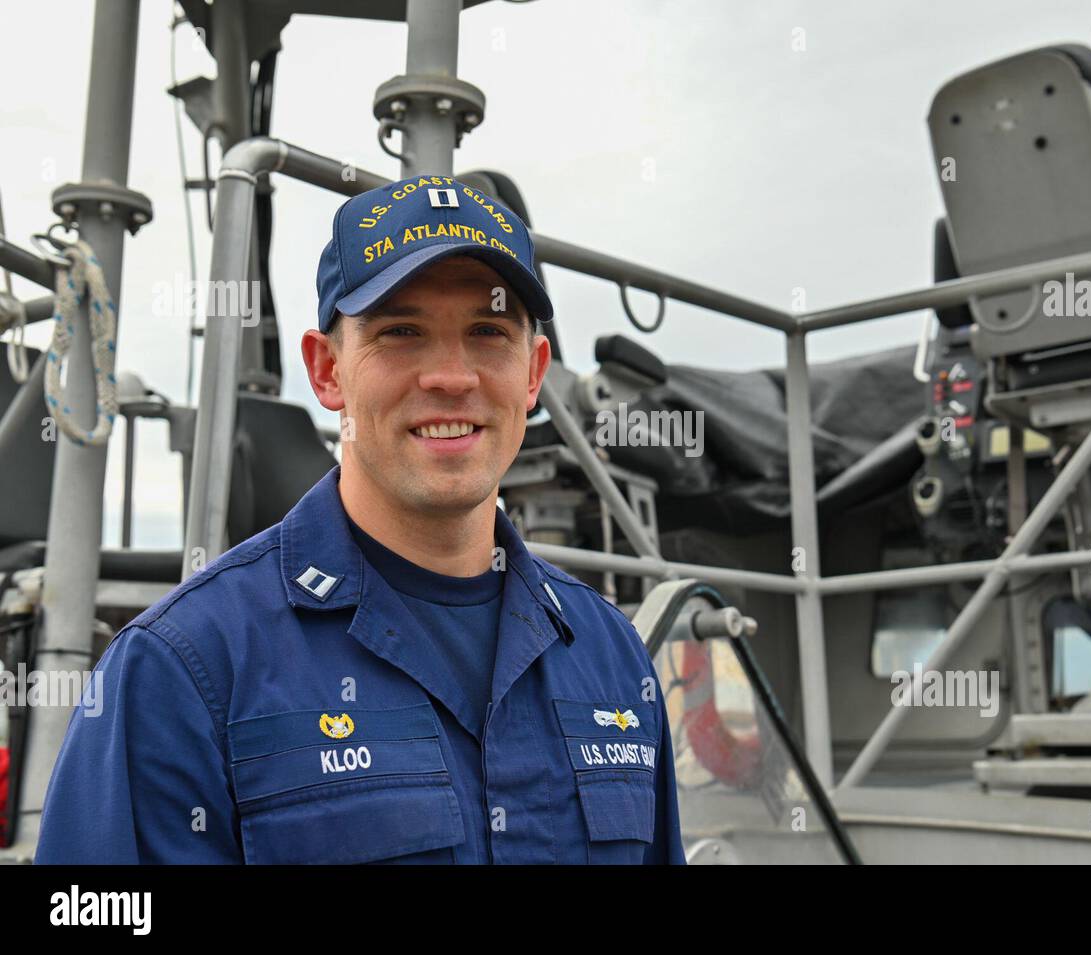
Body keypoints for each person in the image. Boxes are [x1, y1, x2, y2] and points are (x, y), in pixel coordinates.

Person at [34, 174, 686, 864]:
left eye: (488, 331)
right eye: (401, 331)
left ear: (533, 374)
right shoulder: (183, 671)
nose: (451, 376)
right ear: (327, 370)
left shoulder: (610, 656)